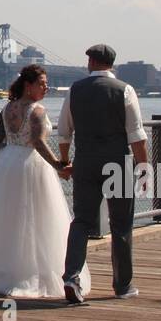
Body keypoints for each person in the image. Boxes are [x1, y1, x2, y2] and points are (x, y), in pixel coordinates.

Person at [0, 64, 90, 300]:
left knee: (5, 219)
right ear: (28, 85)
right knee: (36, 219)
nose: (46, 87)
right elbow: (37, 142)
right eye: (42, 83)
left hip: (6, 163)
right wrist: (58, 165)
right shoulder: (37, 110)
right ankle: (30, 272)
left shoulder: (7, 108)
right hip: (30, 165)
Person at [57, 43, 148, 304]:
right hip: (117, 163)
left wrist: (65, 161)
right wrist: (143, 168)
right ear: (111, 63)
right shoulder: (125, 90)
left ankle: (71, 277)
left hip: (85, 162)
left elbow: (64, 132)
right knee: (121, 224)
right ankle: (123, 285)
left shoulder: (75, 90)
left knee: (81, 222)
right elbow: (136, 135)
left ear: (92, 62)